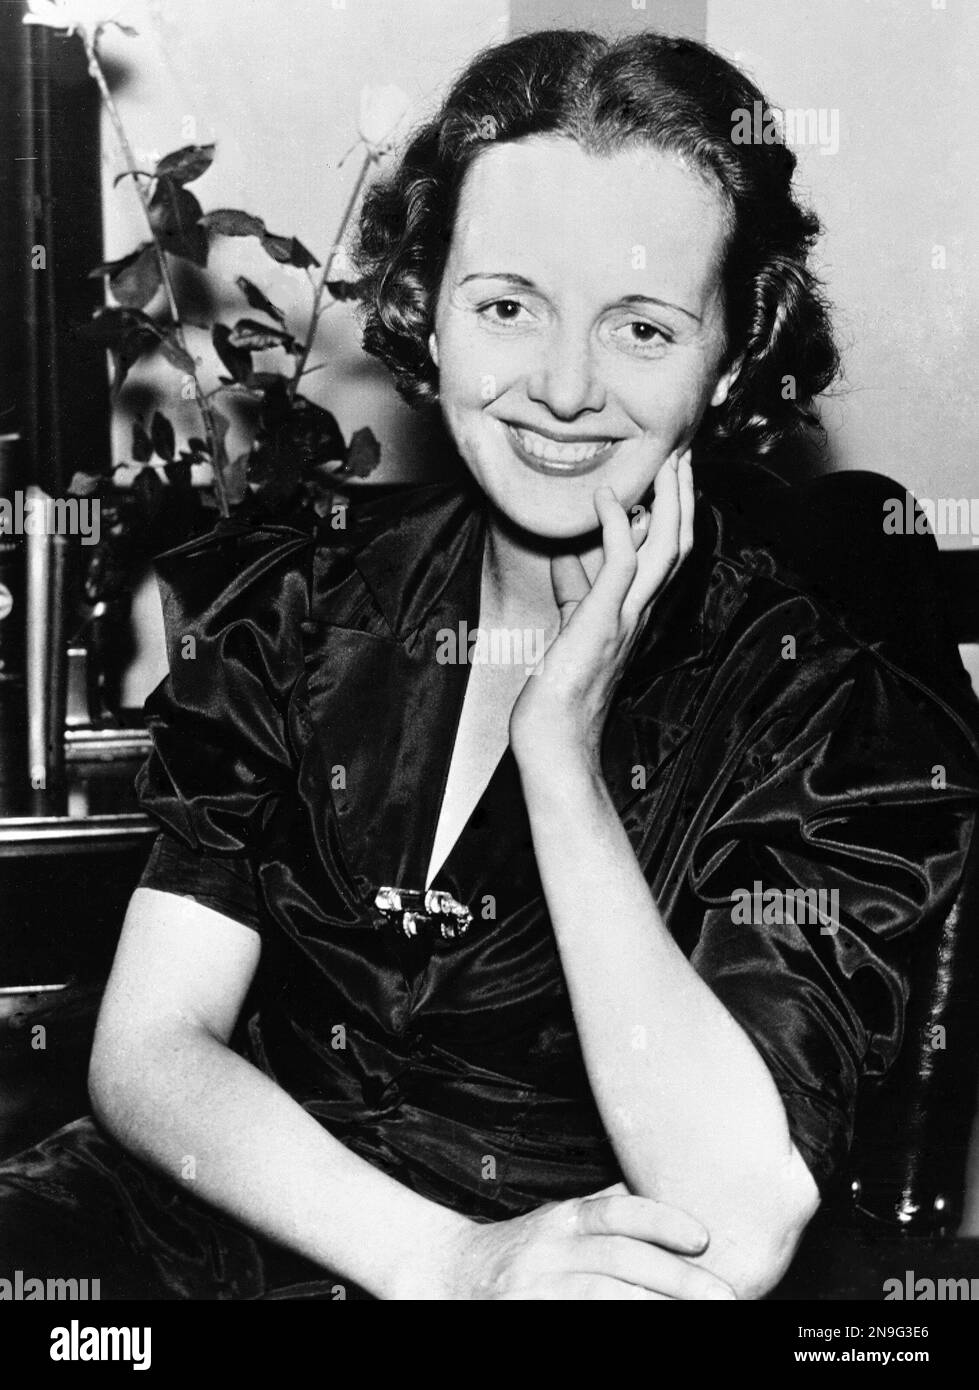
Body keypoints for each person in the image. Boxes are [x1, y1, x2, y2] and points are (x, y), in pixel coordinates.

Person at [2, 28, 978, 1302]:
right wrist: (439, 1260)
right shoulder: (296, 610)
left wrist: (558, 761)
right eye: (508, 306)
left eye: (639, 326)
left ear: (733, 355)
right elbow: (144, 1053)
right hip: (225, 1213)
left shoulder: (833, 722)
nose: (561, 388)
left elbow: (729, 1230)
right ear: (427, 313)